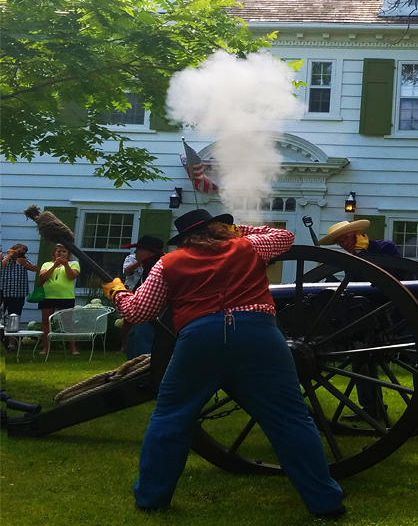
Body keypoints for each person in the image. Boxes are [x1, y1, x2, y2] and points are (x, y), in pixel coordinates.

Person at [101, 208, 344, 518]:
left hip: (201, 338)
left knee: (171, 418)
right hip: (260, 336)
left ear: (184, 238)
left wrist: (118, 292)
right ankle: (325, 502)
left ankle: (151, 497)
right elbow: (284, 236)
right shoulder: (249, 246)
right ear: (219, 229)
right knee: (291, 420)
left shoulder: (167, 262)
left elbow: (137, 313)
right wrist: (234, 229)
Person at [318, 220, 401, 422]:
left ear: (357, 233)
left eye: (344, 238)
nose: (343, 245)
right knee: (362, 361)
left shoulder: (385, 247)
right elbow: (355, 291)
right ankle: (372, 410)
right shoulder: (352, 262)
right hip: (368, 316)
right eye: (339, 242)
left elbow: (394, 276)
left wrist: (364, 256)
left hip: (399, 313)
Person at [119, 235, 165, 356]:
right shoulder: (148, 265)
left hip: (150, 317)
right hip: (148, 317)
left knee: (140, 346)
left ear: (150, 253)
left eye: (139, 249)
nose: (136, 252)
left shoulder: (154, 267)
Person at [38, 244, 80, 355]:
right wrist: (54, 266)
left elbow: (71, 276)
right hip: (48, 296)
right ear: (54, 253)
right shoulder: (47, 264)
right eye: (58, 251)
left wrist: (65, 265)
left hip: (66, 296)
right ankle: (46, 348)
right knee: (46, 322)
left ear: (68, 254)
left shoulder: (74, 264)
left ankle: (73, 348)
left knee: (67, 323)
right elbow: (43, 277)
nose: (61, 253)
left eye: (64, 251)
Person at [1, 244, 39, 352]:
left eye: (23, 252)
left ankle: (12, 344)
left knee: (14, 319)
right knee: (2, 318)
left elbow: (36, 269)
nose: (20, 254)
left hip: (18, 294)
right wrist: (9, 256)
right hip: (3, 293)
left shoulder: (24, 261)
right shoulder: (4, 259)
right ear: (12, 250)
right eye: (18, 251)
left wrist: (25, 264)